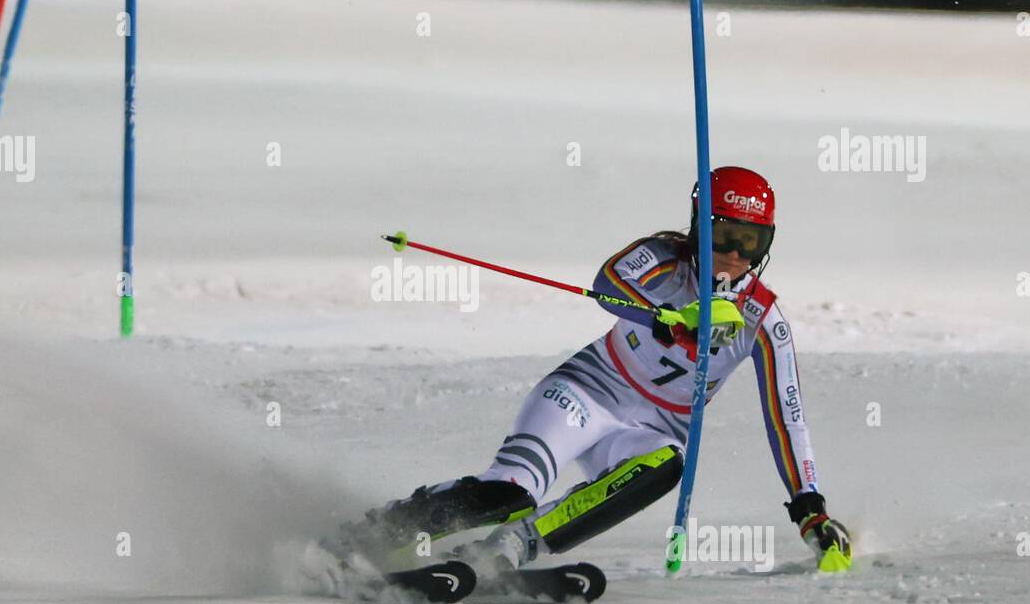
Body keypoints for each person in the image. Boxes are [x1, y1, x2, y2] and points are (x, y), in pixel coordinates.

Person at [351, 166, 852, 574]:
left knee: (664, 466)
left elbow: (786, 417)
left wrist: (810, 508)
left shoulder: (764, 320)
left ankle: (511, 548)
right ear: (699, 226)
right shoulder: (661, 258)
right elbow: (609, 279)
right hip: (585, 394)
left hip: (651, 430)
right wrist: (670, 321)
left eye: (751, 242)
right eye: (722, 236)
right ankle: (378, 533)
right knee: (508, 492)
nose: (734, 256)